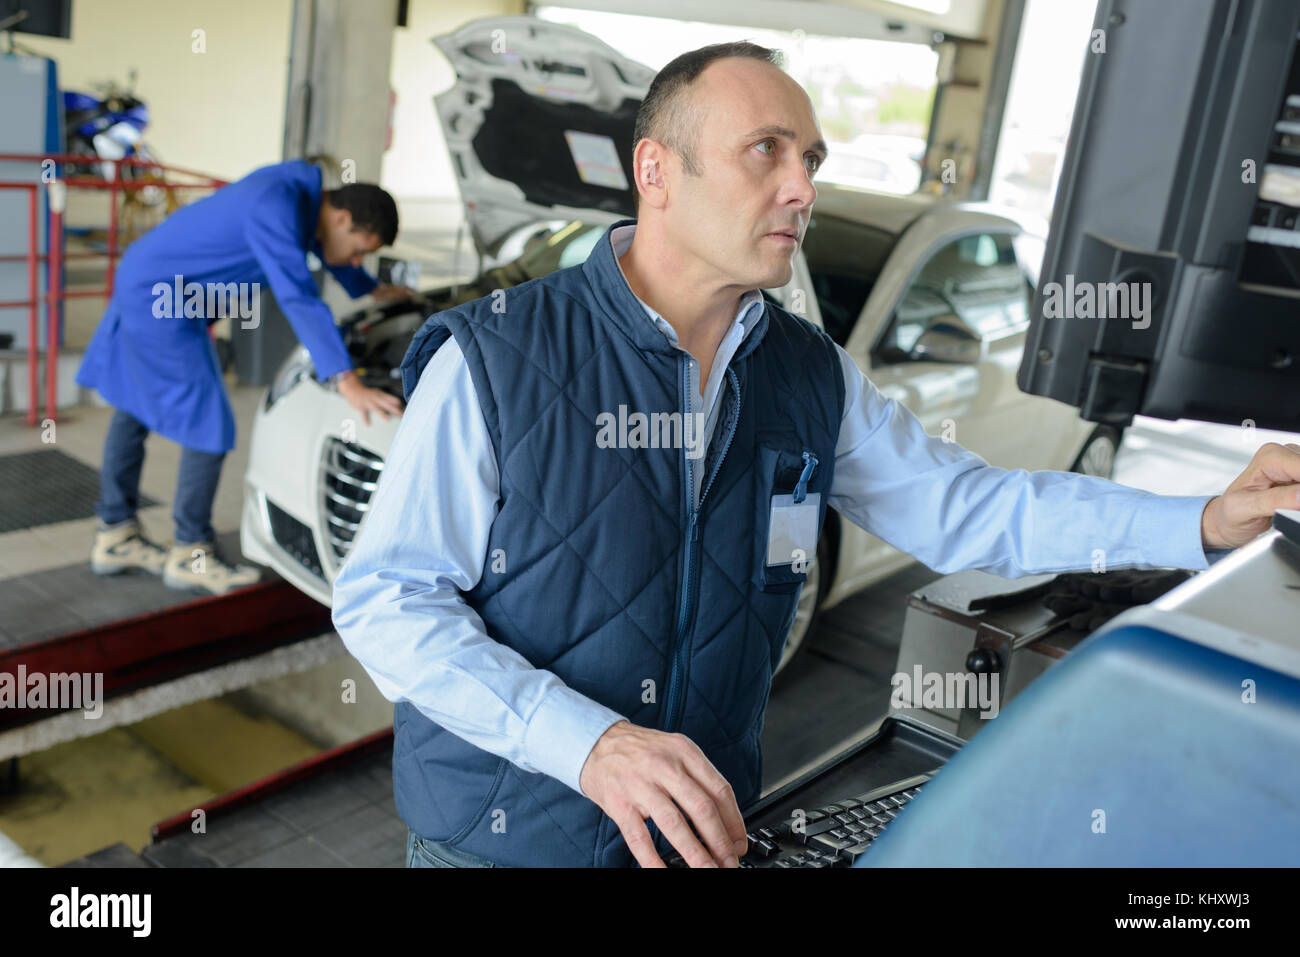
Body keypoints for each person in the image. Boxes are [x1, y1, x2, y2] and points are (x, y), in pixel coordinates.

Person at [332, 42, 1300, 868]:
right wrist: (591, 746)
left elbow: (975, 509)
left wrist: (1201, 523)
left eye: (811, 158)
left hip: (699, 841)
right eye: (766, 151)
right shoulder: (496, 353)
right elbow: (387, 602)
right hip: (501, 852)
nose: (802, 187)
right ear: (656, 171)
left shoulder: (805, 374)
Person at [78, 160, 408, 595]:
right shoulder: (277, 207)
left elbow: (329, 250)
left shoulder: (300, 199)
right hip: (165, 300)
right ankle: (189, 553)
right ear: (343, 218)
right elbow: (297, 293)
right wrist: (346, 380)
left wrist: (370, 289)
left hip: (148, 278)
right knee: (209, 429)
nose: (358, 259)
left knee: (134, 410)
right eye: (361, 250)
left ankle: (115, 534)